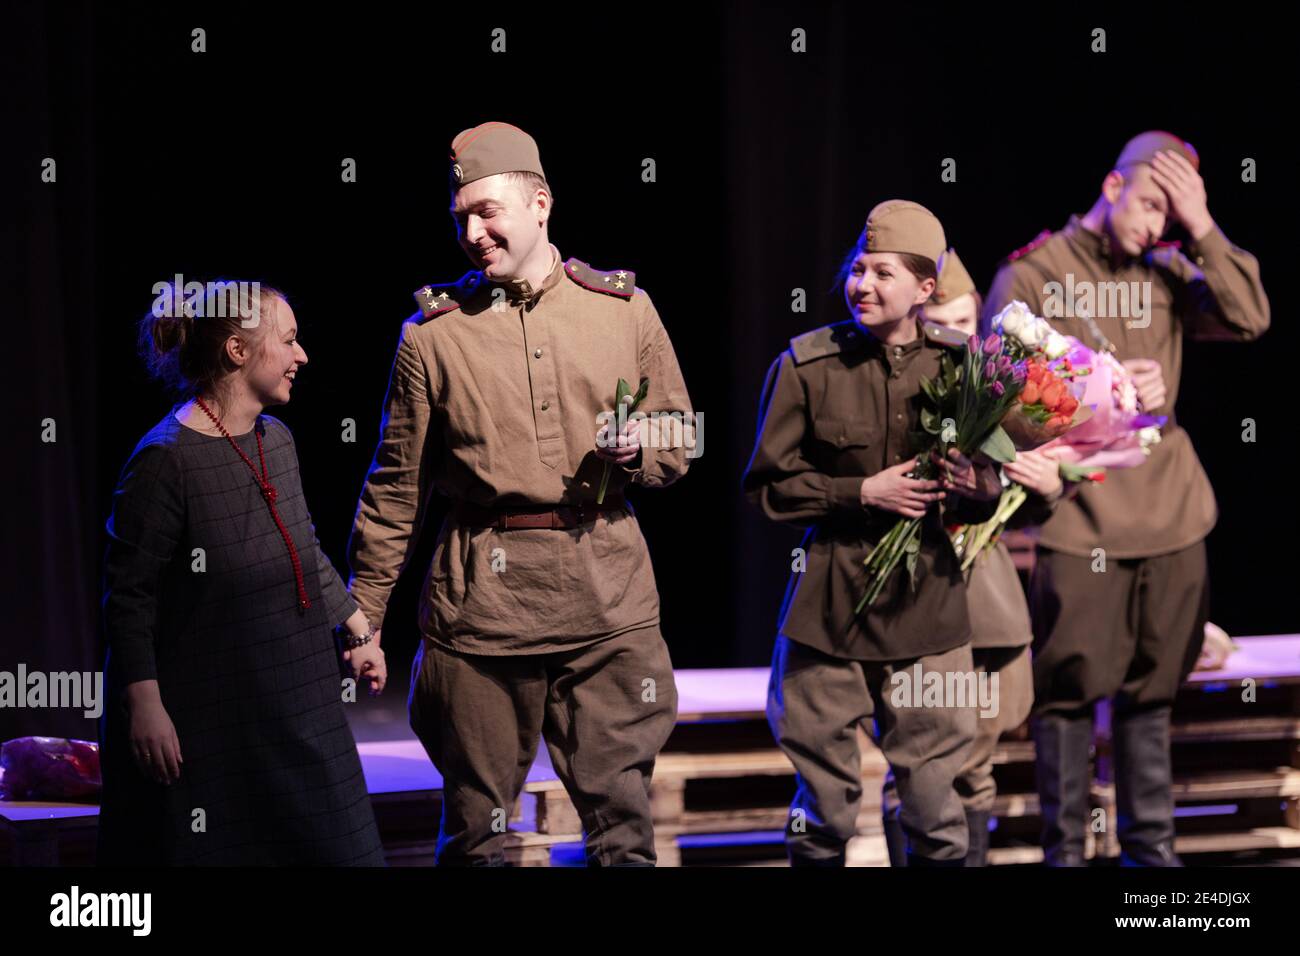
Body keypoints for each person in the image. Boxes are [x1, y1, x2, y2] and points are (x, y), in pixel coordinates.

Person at [346, 122, 695, 866]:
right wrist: (366, 617)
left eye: (488, 212)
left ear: (541, 203)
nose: (473, 233)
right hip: (483, 613)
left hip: (608, 601)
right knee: (478, 833)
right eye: (460, 218)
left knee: (622, 828)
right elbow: (394, 488)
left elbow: (681, 433)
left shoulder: (624, 310)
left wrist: (647, 447)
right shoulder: (433, 337)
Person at [982, 130, 1271, 866]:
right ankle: (1066, 855)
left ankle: (1154, 857)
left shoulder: (1171, 269)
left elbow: (1250, 316)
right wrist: (1098, 396)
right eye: (1148, 205)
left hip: (1171, 514)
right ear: (1112, 187)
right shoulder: (1037, 272)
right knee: (1071, 694)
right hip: (1083, 518)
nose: (1154, 227)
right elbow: (995, 393)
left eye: (1170, 218)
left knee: (1152, 693)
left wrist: (1202, 226)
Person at [743, 201, 1003, 866]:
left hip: (929, 614)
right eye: (857, 269)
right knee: (823, 810)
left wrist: (973, 487)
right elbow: (768, 489)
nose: (861, 284)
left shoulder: (961, 366)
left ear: (924, 289)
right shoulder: (806, 366)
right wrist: (861, 492)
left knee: (935, 811)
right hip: (828, 609)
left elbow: (990, 490)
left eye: (882, 272)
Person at [100, 281, 387, 866]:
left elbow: (300, 545)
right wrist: (145, 705)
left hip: (299, 700)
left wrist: (358, 627)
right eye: (288, 341)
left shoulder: (274, 440)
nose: (301, 355)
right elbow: (129, 600)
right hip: (217, 713)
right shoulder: (166, 460)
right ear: (237, 352)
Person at [880, 248, 1063, 866]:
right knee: (912, 766)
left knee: (976, 769)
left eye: (965, 319)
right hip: (910, 594)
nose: (953, 334)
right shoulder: (893, 380)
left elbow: (1025, 505)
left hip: (983, 607)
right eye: (940, 320)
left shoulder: (995, 383)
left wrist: (1045, 485)